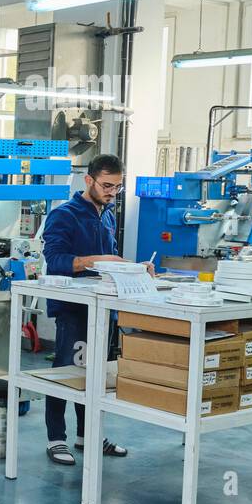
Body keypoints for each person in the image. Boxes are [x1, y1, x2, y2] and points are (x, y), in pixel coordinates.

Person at [40, 153, 150, 466]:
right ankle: (56, 439)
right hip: (74, 309)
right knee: (66, 372)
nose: (112, 192)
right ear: (88, 181)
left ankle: (87, 436)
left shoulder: (108, 215)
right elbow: (57, 261)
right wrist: (95, 261)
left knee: (94, 375)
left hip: (102, 309)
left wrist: (135, 269)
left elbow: (109, 263)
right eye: (106, 185)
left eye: (117, 187)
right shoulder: (65, 215)